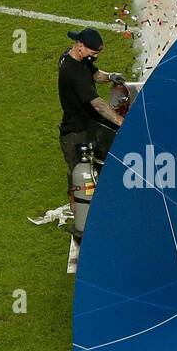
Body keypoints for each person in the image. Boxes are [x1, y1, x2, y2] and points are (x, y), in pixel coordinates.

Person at [58, 27, 125, 214]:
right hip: (75, 131)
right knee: (77, 171)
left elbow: (94, 73)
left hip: (88, 123)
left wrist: (110, 76)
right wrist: (121, 121)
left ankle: (97, 201)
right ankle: (77, 210)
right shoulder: (74, 72)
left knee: (98, 162)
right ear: (81, 46)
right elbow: (98, 105)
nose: (95, 57)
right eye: (93, 52)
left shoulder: (75, 57)